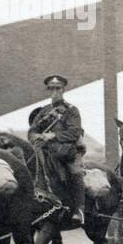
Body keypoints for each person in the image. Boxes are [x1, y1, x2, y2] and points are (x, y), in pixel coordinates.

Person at [29, 75, 86, 224]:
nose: (55, 91)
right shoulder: (44, 111)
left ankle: (79, 210)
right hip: (46, 151)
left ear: (63, 89)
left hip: (66, 151)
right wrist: (37, 137)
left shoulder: (72, 110)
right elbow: (32, 131)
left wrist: (53, 136)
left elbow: (74, 132)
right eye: (51, 88)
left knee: (75, 173)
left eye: (58, 88)